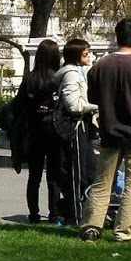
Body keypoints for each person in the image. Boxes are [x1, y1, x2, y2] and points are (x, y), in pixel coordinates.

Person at [81, 16, 131, 244]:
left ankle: (91, 227)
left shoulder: (100, 66)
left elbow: (92, 97)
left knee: (102, 182)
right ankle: (123, 231)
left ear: (116, 37)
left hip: (109, 132)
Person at [16, 38, 64, 224]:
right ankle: (53, 214)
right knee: (54, 175)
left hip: (34, 131)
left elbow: (20, 104)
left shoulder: (29, 78)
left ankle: (33, 214)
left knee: (34, 176)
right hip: (54, 131)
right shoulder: (58, 78)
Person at [54, 36, 98, 225]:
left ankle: (85, 210)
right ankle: (76, 214)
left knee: (89, 169)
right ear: (76, 56)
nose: (89, 56)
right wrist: (95, 106)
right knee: (77, 172)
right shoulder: (72, 74)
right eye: (86, 54)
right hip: (75, 127)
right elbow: (73, 105)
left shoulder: (79, 71)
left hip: (83, 127)